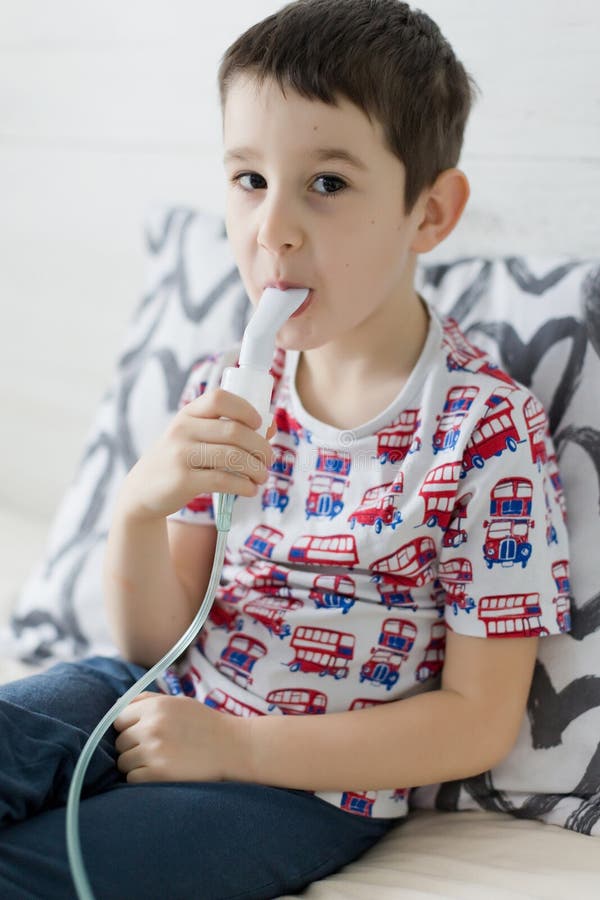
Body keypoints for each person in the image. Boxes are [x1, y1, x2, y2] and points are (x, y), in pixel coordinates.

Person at [0, 1, 571, 897]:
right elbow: (159, 640)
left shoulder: (483, 431)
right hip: (152, 703)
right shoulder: (227, 386)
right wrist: (138, 507)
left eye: (328, 184)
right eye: (249, 179)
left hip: (300, 786)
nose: (273, 230)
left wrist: (238, 746)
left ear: (429, 212)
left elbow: (477, 721)